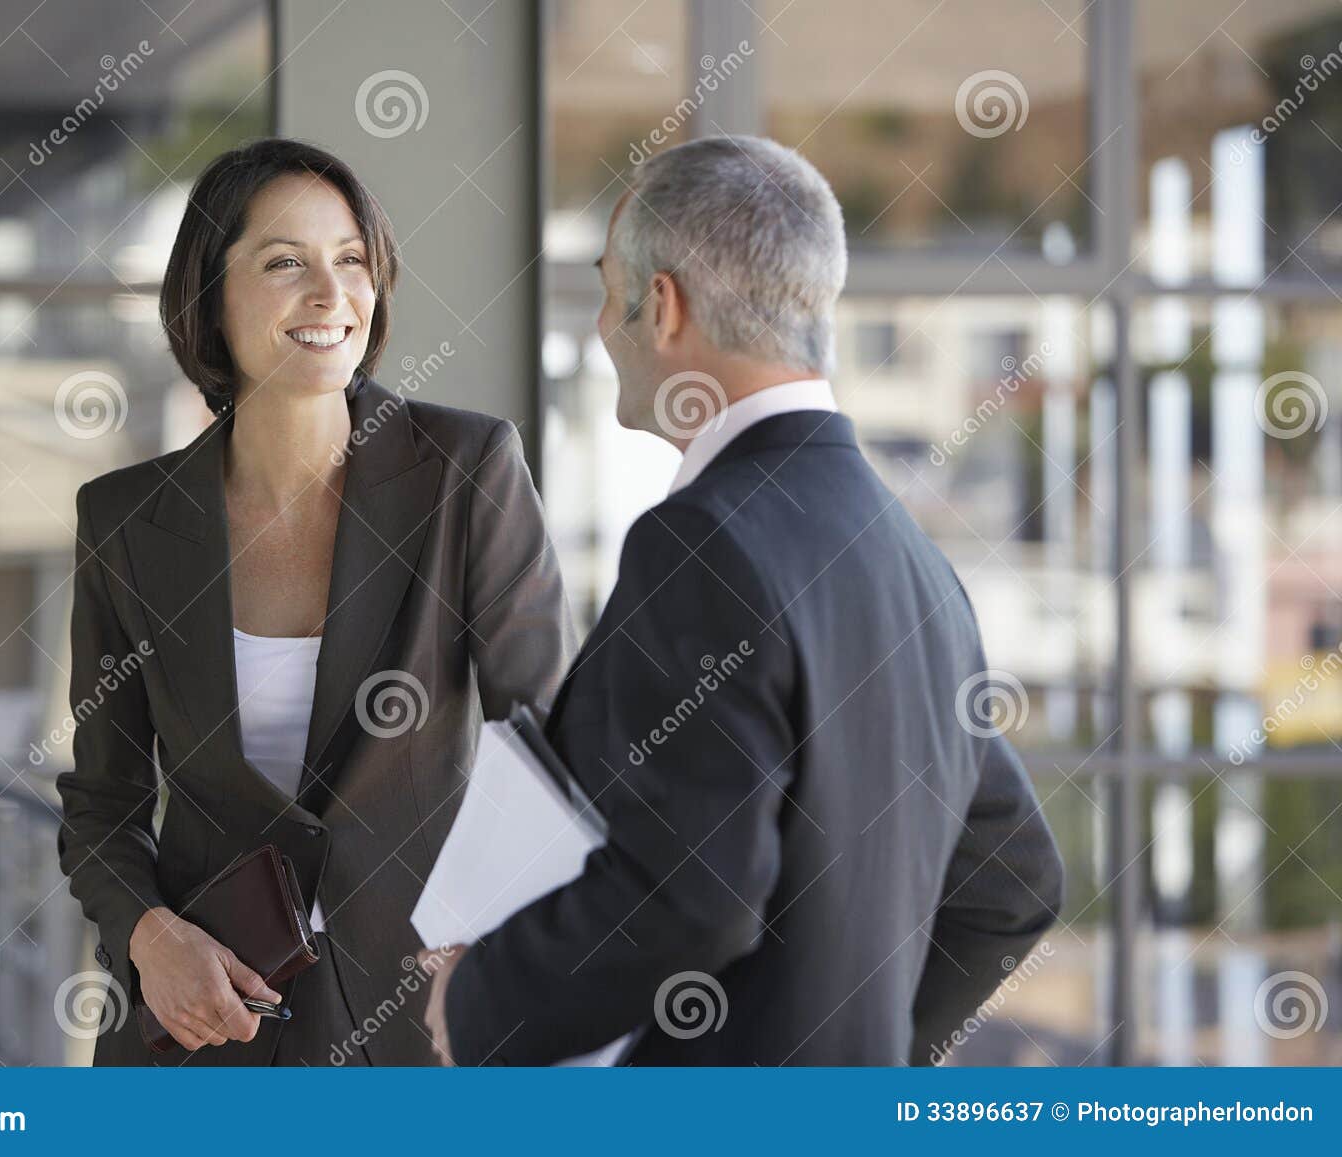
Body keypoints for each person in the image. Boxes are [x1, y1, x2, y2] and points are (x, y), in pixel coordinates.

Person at [420, 135, 1065, 1066]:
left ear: (667, 306)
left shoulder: (702, 543)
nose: (606, 325)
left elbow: (694, 895)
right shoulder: (914, 559)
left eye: (612, 290)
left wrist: (477, 1000)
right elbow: (1013, 877)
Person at [55, 138, 573, 1066]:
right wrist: (150, 938)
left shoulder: (465, 472)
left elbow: (542, 746)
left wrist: (495, 944)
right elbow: (103, 800)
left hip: (425, 1023)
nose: (331, 296)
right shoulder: (126, 519)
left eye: (352, 261)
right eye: (284, 263)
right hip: (199, 1025)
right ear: (209, 296)